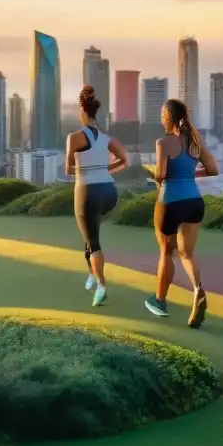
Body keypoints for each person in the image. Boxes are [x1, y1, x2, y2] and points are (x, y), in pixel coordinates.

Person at [144, 98, 219, 328]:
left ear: (169, 117)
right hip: (194, 202)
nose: (160, 118)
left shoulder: (163, 142)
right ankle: (198, 289)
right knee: (186, 253)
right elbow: (214, 169)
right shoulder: (196, 142)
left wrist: (154, 173)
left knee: (166, 252)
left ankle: (159, 301)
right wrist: (190, 175)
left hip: (170, 201)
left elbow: (162, 175)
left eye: (162, 114)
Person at [64, 85, 130, 307]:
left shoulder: (74, 137)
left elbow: (68, 169)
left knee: (93, 242)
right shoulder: (106, 139)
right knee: (89, 236)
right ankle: (93, 274)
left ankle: (101, 285)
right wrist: (105, 169)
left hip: (87, 192)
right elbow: (125, 161)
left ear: (82, 112)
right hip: (109, 192)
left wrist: (88, 169)